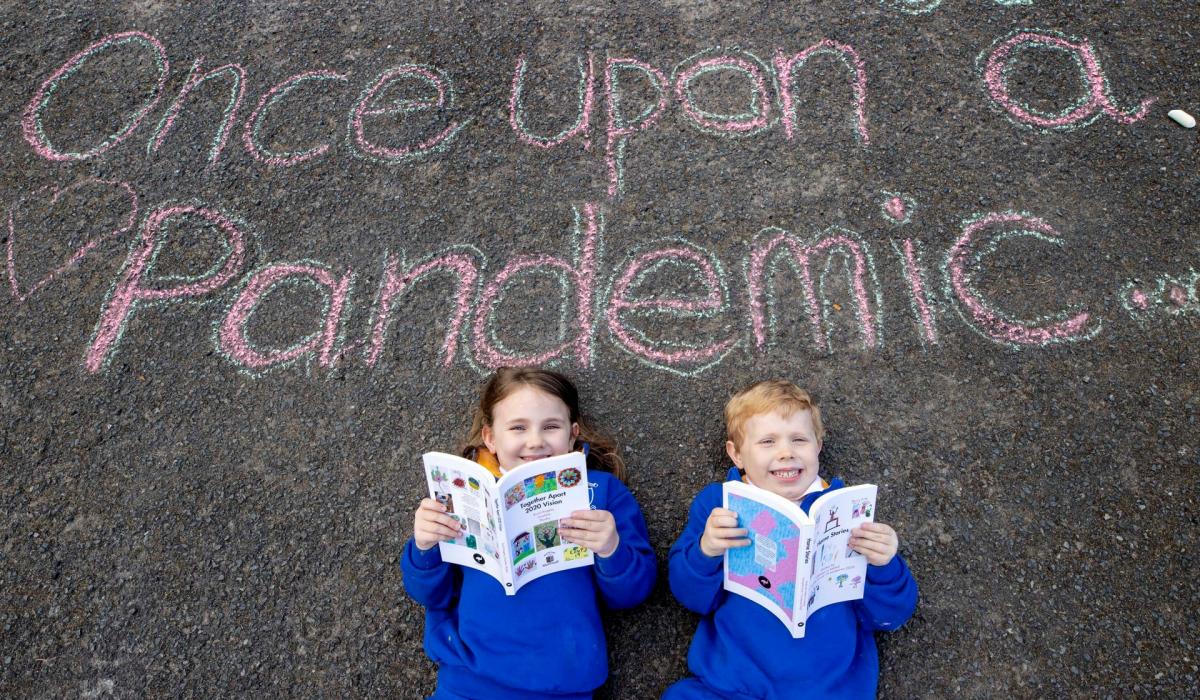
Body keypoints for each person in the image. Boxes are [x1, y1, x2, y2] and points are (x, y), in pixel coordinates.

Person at [401, 367, 657, 699]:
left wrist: (611, 548)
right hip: (467, 681)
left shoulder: (604, 493)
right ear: (491, 438)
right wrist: (424, 547)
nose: (535, 440)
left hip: (562, 684)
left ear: (572, 435)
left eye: (551, 427)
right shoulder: (461, 494)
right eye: (518, 427)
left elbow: (632, 594)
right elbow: (429, 595)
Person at [664, 379, 918, 699]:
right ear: (737, 454)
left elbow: (889, 616)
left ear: (818, 446)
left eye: (799, 439)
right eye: (767, 441)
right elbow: (690, 596)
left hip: (826, 689)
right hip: (732, 685)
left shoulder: (847, 510)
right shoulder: (718, 504)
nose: (786, 453)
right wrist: (706, 550)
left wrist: (884, 564)